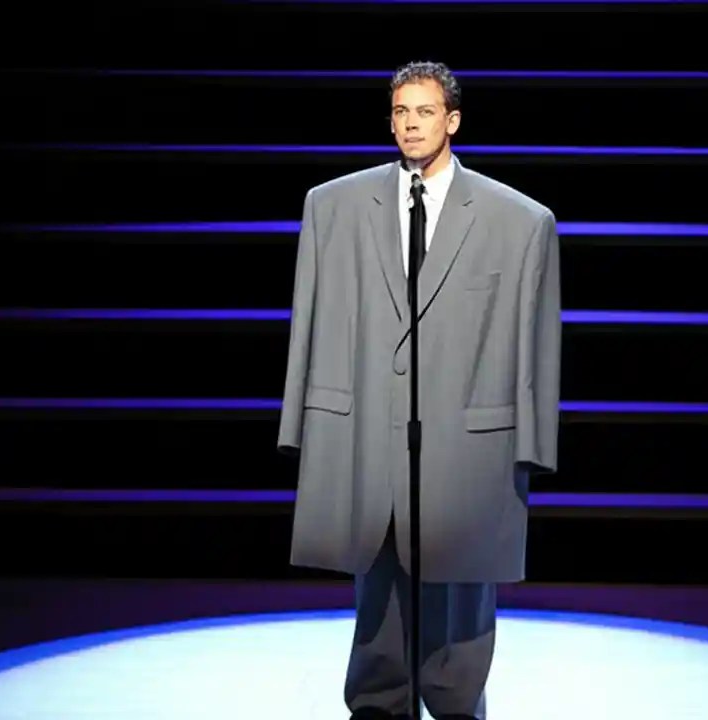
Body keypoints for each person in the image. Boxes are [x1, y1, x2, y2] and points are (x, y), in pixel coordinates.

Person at [276, 60, 561, 720]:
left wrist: (534, 447)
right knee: (377, 605)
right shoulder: (334, 205)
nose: (410, 123)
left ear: (452, 121)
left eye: (424, 111)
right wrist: (301, 427)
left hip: (468, 450)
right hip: (368, 437)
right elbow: (308, 317)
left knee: (460, 626)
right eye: (401, 112)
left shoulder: (518, 220)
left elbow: (536, 341)